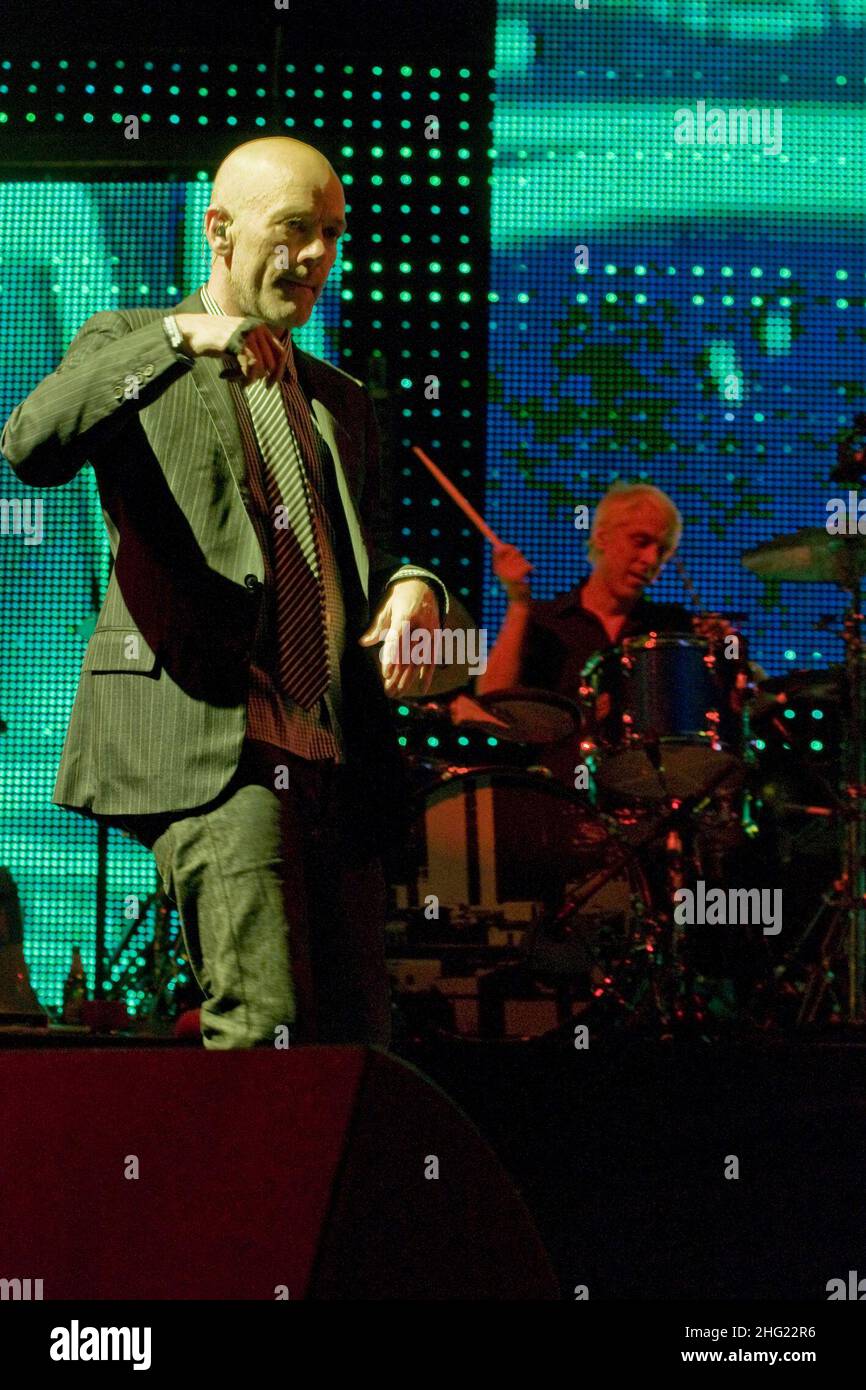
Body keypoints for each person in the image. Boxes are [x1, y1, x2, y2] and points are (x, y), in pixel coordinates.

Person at [1, 136, 458, 1050]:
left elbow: (366, 550)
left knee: (355, 1040)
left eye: (332, 233)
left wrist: (416, 589)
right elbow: (30, 444)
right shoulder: (133, 346)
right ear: (218, 230)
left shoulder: (341, 400)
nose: (319, 255)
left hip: (329, 748)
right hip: (215, 733)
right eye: (296, 229)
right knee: (264, 1024)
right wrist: (175, 339)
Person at [477, 483, 692, 785]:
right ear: (602, 536)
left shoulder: (671, 629)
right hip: (560, 794)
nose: (651, 559)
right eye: (640, 541)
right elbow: (489, 703)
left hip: (651, 795)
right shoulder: (547, 621)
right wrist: (518, 603)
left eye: (661, 550)